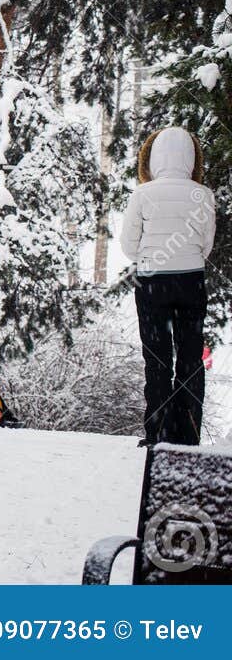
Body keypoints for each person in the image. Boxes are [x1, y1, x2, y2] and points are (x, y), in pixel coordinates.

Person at [120, 125, 215, 446]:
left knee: (157, 359)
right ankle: (187, 433)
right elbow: (206, 246)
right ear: (192, 158)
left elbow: (129, 246)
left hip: (151, 282)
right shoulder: (203, 194)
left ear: (151, 158)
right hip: (191, 280)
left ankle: (158, 433)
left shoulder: (142, 194)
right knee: (190, 357)